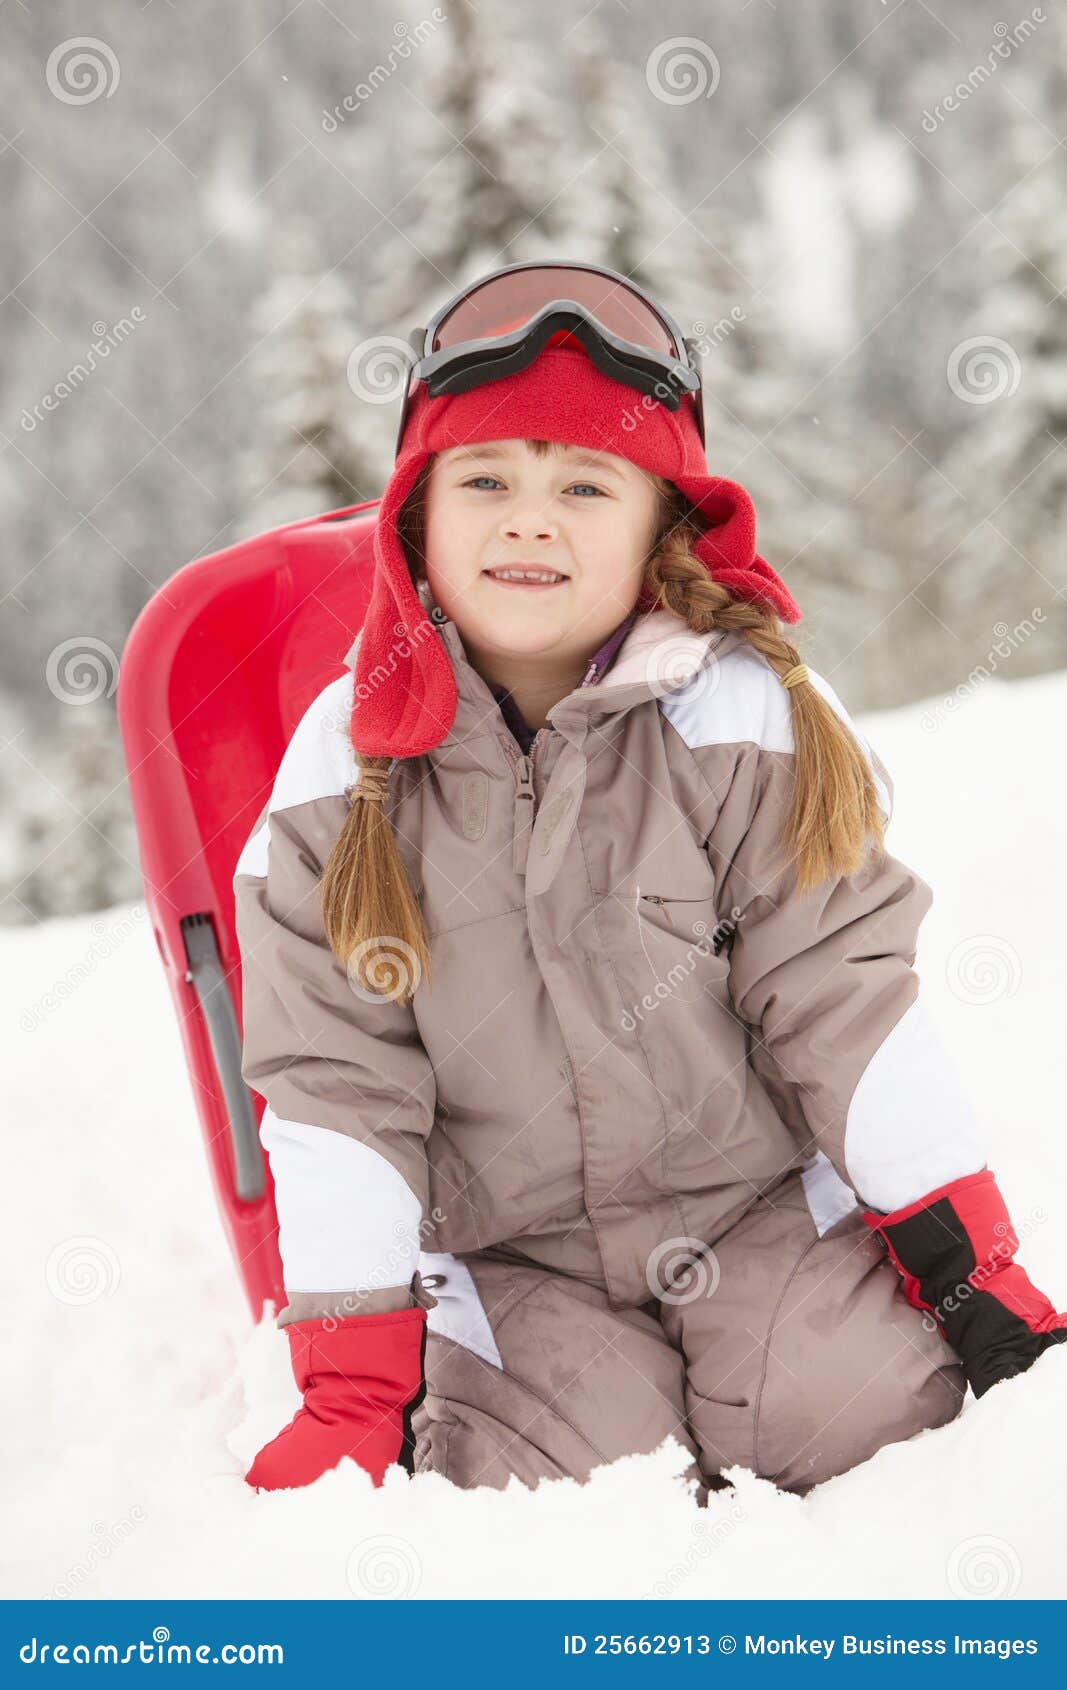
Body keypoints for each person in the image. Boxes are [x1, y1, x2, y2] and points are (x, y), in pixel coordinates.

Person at [234, 262, 1066, 1500]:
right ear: (414, 519)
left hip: (751, 1209)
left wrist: (968, 1267)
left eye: (583, 485)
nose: (529, 521)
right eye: (484, 482)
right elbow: (336, 1084)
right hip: (512, 1259)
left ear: (659, 526)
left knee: (871, 1415)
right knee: (541, 1494)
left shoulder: (738, 718)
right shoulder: (340, 772)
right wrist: (354, 1383)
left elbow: (840, 1002)